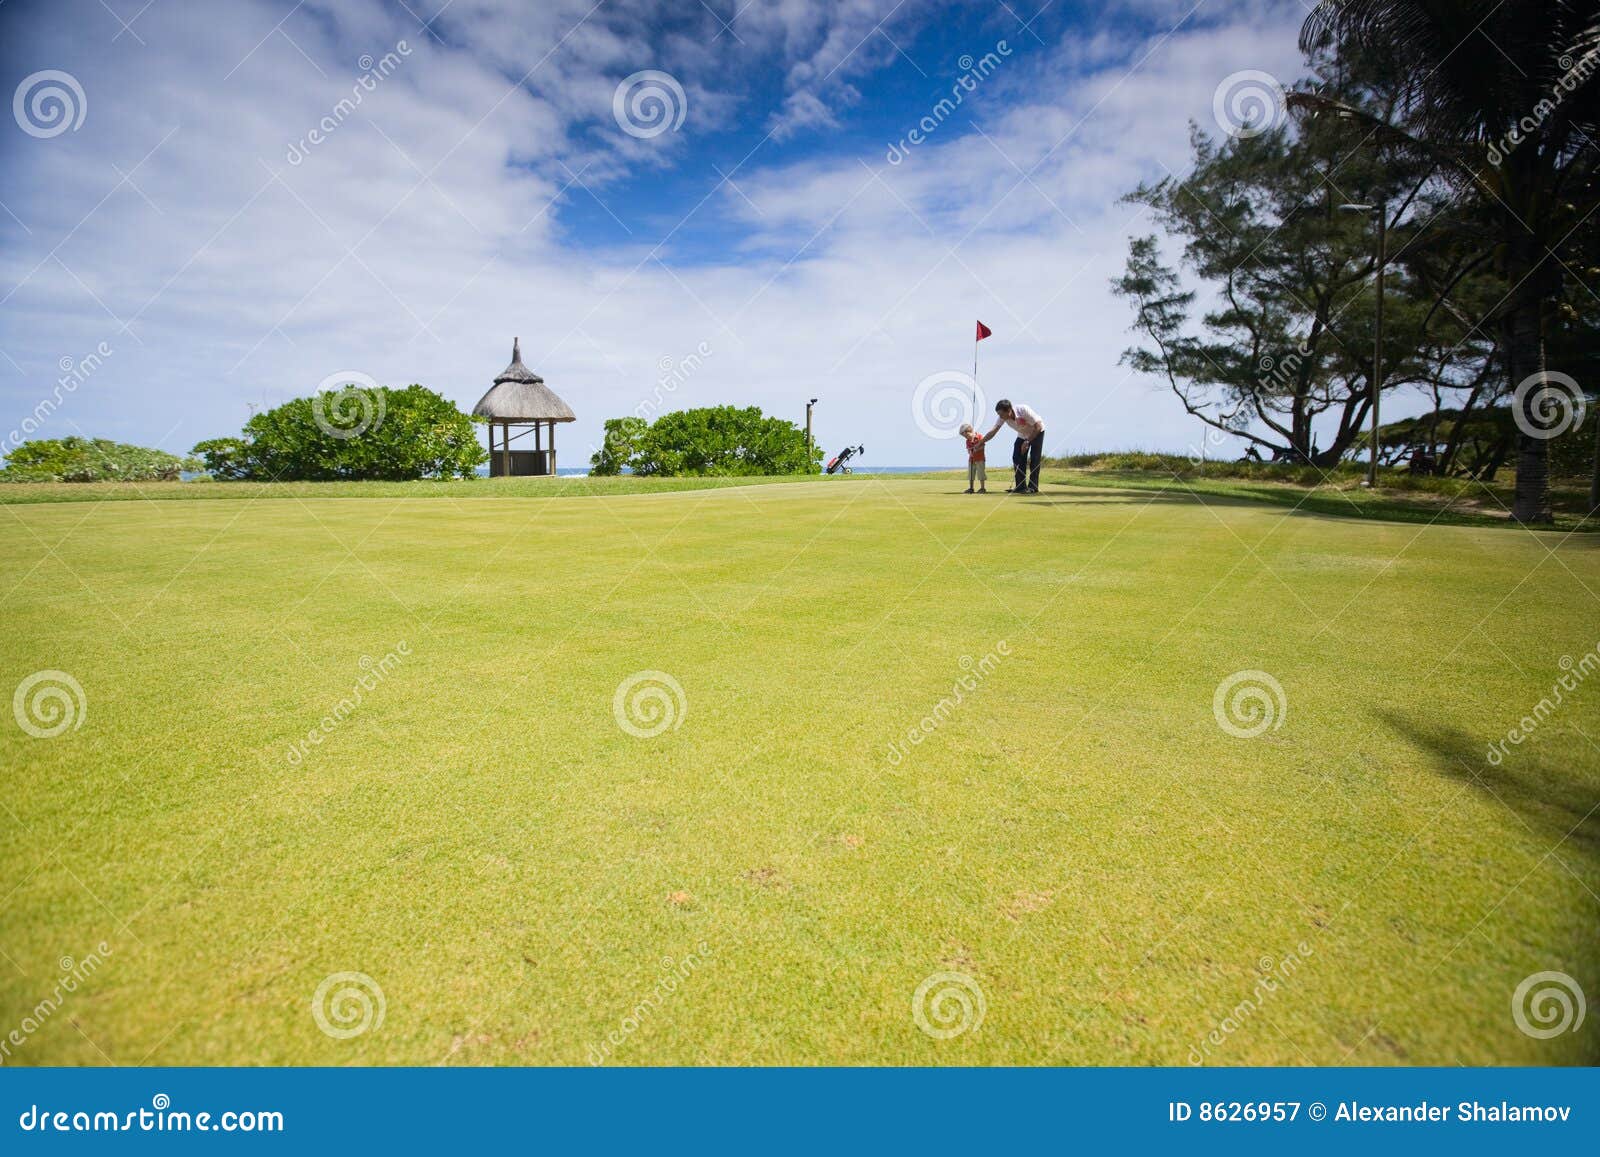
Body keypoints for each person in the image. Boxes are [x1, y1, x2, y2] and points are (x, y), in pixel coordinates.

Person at [986, 399, 1045, 493]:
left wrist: (1027, 441)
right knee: (1017, 457)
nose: (1000, 416)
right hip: (1022, 435)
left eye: (1001, 414)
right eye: (998, 414)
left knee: (1034, 459)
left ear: (1009, 410)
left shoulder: (1023, 410)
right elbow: (993, 431)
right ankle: (1021, 487)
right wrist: (981, 442)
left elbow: (1038, 426)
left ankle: (1033, 487)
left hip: (1037, 432)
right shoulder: (1003, 417)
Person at [959, 422, 993, 493]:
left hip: (980, 459)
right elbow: (968, 449)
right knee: (971, 475)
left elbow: (983, 446)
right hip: (971, 459)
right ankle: (971, 488)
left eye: (964, 435)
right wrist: (970, 452)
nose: (965, 437)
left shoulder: (979, 436)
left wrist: (976, 449)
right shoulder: (967, 441)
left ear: (968, 431)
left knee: (981, 474)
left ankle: (982, 488)